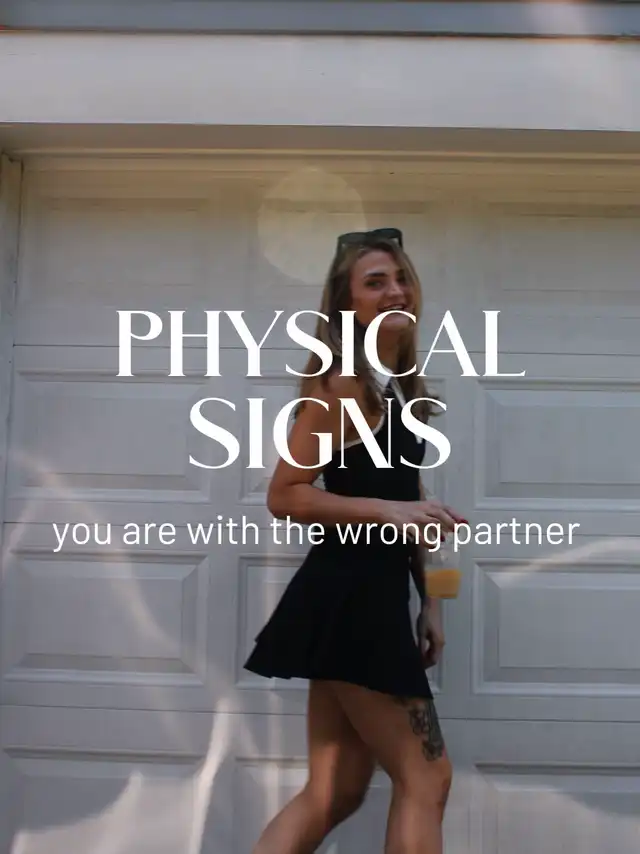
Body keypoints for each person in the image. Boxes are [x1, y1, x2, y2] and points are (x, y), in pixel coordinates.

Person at [244, 227, 467, 854]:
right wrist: (386, 510)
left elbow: (410, 501)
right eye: (376, 282)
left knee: (335, 791)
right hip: (352, 600)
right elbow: (285, 493)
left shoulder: (394, 387)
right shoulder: (341, 384)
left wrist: (432, 601)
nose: (396, 291)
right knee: (427, 777)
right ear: (347, 303)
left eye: (402, 279)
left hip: (368, 597)